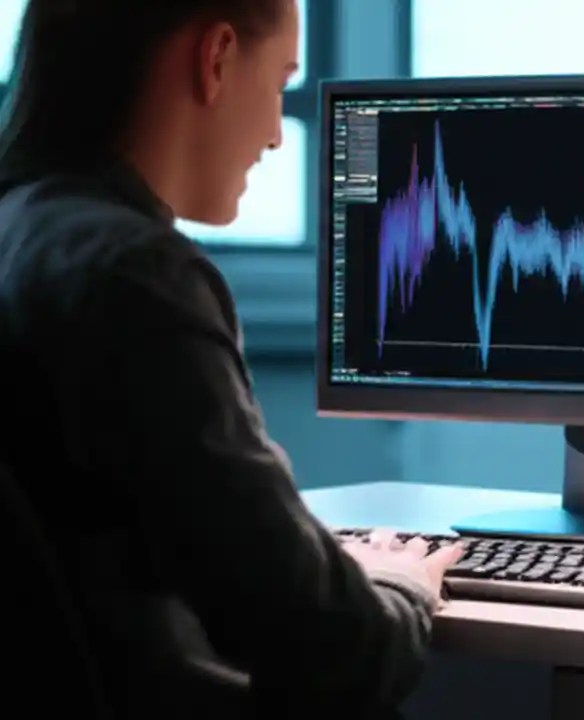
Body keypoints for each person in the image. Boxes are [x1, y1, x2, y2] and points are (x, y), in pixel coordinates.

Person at [0, 1, 463, 717]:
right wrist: (398, 584)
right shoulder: (136, 278)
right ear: (215, 58)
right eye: (281, 82)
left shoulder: (23, 241)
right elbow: (329, 645)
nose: (279, 134)